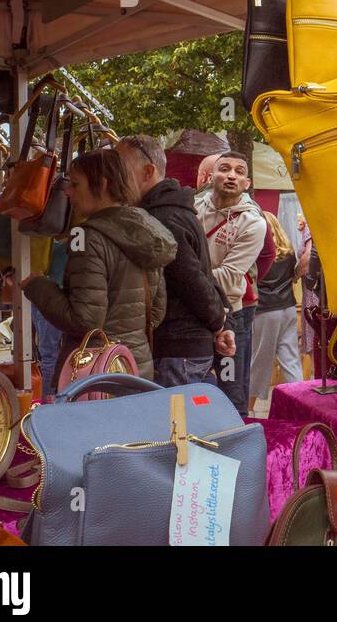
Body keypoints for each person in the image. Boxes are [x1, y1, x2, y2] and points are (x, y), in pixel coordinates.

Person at [23, 151, 175, 386]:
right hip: (136, 365)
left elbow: (85, 321)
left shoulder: (86, 236)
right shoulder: (146, 230)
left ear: (102, 184)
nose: (68, 191)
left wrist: (37, 286)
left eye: (75, 184)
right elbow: (155, 312)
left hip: (94, 373)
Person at [117, 135, 233, 386]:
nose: (116, 178)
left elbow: (193, 280)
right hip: (185, 347)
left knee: (178, 424)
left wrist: (219, 322)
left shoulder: (162, 216)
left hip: (179, 348)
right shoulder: (173, 209)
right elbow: (203, 274)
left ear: (148, 171)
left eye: (121, 169)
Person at [196, 151, 266, 414]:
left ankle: (239, 442)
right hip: (192, 314)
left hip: (230, 313)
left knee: (231, 385)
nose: (231, 175)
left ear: (247, 183)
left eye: (239, 172)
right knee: (193, 382)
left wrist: (186, 279)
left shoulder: (254, 223)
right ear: (211, 175)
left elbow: (229, 275)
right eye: (224, 169)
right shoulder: (193, 209)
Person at [250, 212, 302, 409]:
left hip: (265, 311)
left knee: (258, 364)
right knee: (291, 360)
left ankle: (248, 410)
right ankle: (300, 405)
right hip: (288, 308)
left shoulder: (257, 254)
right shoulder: (289, 253)